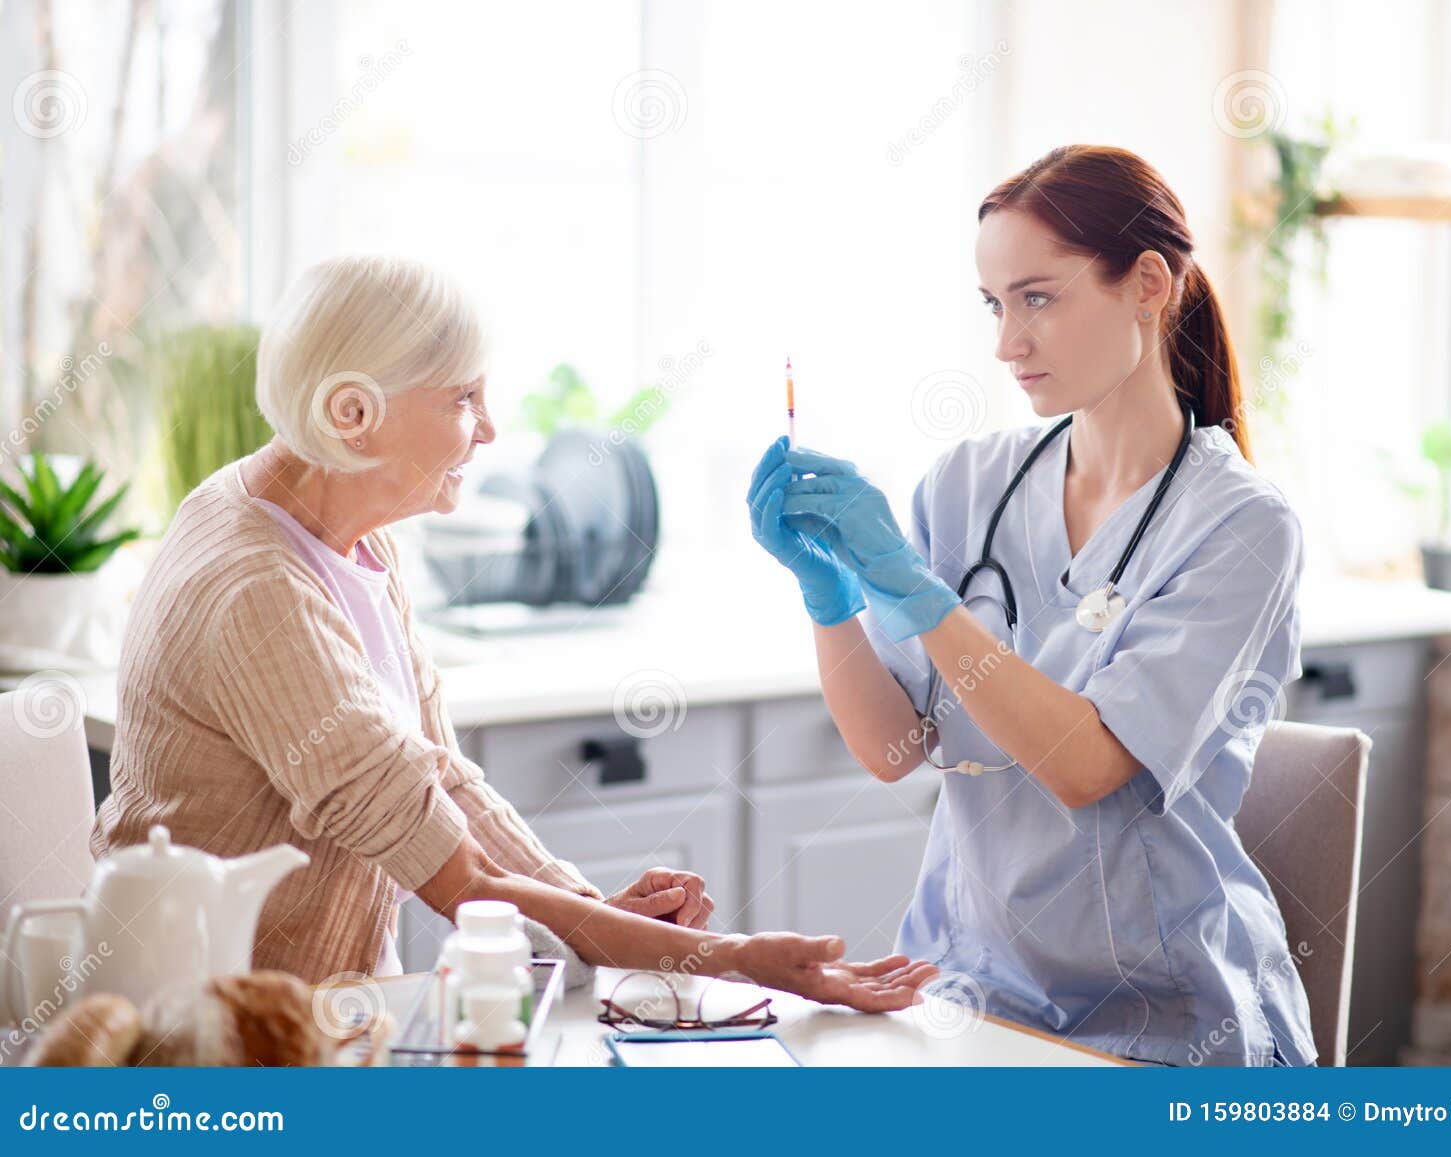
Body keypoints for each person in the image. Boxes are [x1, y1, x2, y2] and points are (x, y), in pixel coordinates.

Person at [92, 254, 936, 1014]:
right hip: (212, 1044)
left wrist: (599, 915)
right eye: (463, 398)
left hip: (319, 1019)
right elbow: (463, 883)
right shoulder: (258, 590)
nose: (491, 429)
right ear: (353, 412)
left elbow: (441, 789)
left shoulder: (348, 532)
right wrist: (735, 961)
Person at [748, 145, 1316, 1065]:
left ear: (1147, 284)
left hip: (1158, 1020)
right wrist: (830, 597)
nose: (1009, 342)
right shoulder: (970, 482)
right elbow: (893, 749)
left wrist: (922, 595)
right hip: (965, 993)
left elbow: (1084, 764)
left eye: (1039, 298)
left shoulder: (1242, 525)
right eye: (996, 305)